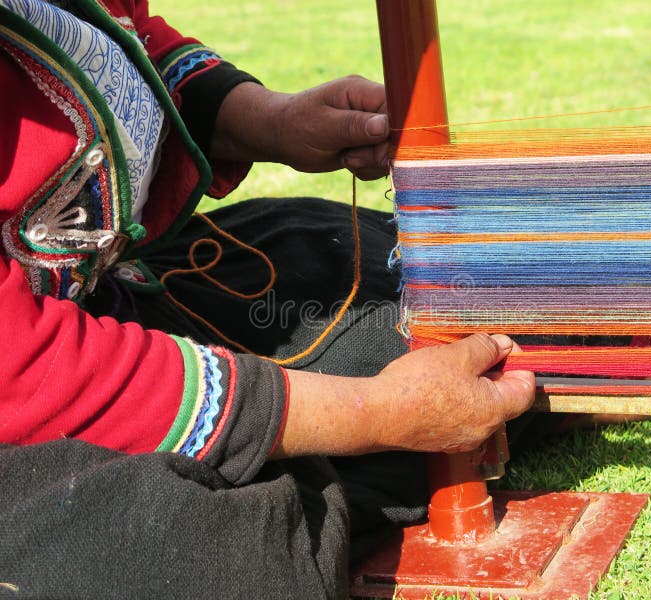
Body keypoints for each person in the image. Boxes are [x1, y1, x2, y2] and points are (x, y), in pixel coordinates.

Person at [0, 0, 535, 596]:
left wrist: (274, 120)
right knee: (206, 553)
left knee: (375, 286)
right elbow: (18, 366)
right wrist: (378, 414)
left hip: (92, 303)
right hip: (23, 386)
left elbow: (120, 37)